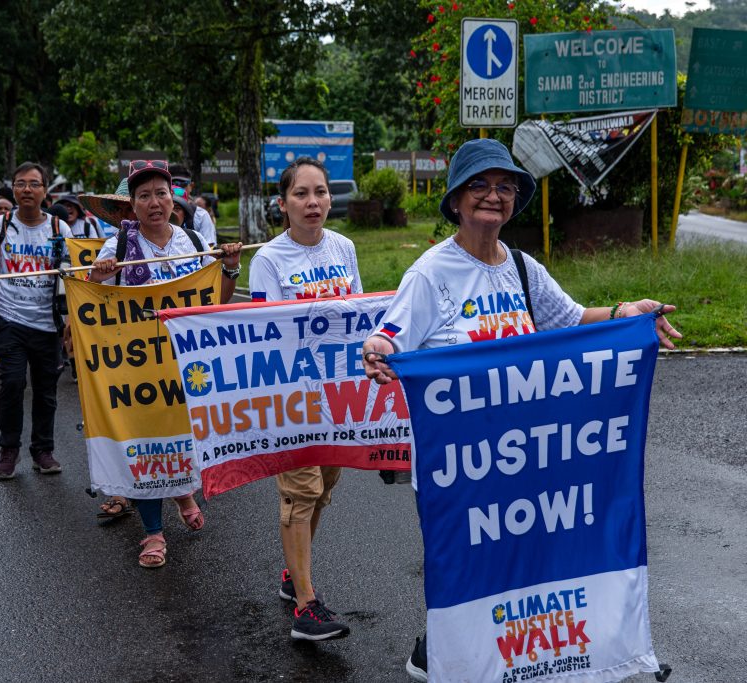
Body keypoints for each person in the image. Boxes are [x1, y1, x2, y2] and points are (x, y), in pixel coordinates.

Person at [359, 138, 681, 682]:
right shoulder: (431, 274)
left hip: (525, 457)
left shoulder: (523, 268)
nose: (494, 196)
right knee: (475, 567)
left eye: (505, 187)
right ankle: (445, 656)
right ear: (457, 200)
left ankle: (538, 657)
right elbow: (389, 336)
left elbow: (574, 318)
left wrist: (627, 313)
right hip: (461, 464)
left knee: (529, 562)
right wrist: (380, 352)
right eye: (480, 186)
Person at [88, 159, 243, 568]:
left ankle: (184, 493)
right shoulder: (117, 247)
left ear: (173, 197)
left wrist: (228, 266)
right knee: (144, 443)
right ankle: (153, 532)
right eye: (143, 195)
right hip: (136, 367)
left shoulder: (193, 241)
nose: (154, 202)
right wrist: (100, 275)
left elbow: (218, 301)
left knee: (182, 437)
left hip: (186, 366)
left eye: (161, 193)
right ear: (132, 204)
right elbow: (92, 301)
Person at [248, 157, 360, 641]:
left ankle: (293, 574)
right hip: (291, 395)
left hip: (338, 392)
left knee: (326, 487)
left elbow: (358, 314)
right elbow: (262, 332)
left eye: (320, 192)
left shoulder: (346, 247)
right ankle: (306, 607)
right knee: (301, 492)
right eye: (301, 194)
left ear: (331, 198)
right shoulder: (269, 260)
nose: (312, 203)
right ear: (283, 204)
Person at [0, 162, 65, 480]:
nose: (27, 189)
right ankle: (8, 450)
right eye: (21, 183)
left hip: (48, 324)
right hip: (9, 319)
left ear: (45, 191)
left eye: (34, 184)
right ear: (13, 189)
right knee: (11, 384)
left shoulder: (59, 230)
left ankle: (43, 450)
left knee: (46, 390)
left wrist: (71, 324)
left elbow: (71, 281)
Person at [169, 164, 217, 247]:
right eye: (172, 184)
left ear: (191, 186)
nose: (177, 189)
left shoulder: (201, 215)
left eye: (182, 184)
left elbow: (208, 250)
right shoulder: (155, 214)